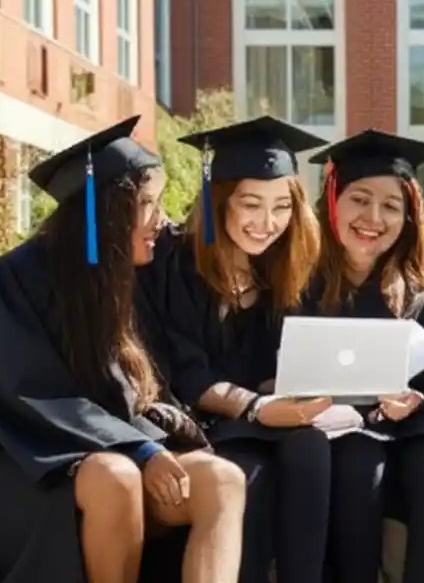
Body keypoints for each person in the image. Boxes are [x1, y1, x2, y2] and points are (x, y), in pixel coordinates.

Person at [0, 116, 246, 583]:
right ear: (107, 208)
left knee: (221, 481)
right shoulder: (17, 277)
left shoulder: (138, 276)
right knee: (116, 476)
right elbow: (33, 391)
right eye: (147, 203)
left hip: (124, 447)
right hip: (26, 455)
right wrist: (140, 449)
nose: (160, 219)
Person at [139, 116, 368, 583]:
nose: (268, 224)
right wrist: (258, 406)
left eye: (282, 207)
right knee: (249, 476)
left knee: (311, 447)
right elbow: (183, 369)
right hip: (199, 424)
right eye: (251, 204)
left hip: (272, 417)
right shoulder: (174, 263)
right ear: (219, 200)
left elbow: (296, 356)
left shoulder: (291, 267)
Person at [300, 129, 424, 583]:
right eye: (360, 199)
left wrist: (416, 401)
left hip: (404, 430)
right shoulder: (296, 286)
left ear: (409, 218)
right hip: (323, 433)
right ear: (332, 200)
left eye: (391, 206)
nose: (374, 217)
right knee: (356, 457)